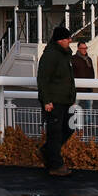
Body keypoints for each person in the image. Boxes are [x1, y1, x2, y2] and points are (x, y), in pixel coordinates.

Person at [37, 25, 77, 177]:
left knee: (68, 129)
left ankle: (47, 152)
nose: (70, 40)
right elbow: (43, 79)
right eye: (68, 38)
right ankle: (56, 165)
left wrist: (71, 98)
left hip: (65, 100)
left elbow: (68, 79)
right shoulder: (51, 55)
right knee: (55, 133)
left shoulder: (64, 54)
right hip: (54, 101)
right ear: (60, 40)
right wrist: (47, 101)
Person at [71, 39, 95, 111]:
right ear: (78, 49)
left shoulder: (89, 59)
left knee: (89, 107)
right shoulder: (73, 59)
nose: (85, 50)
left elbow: (92, 72)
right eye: (82, 48)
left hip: (88, 88)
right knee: (74, 107)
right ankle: (73, 122)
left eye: (86, 48)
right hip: (77, 89)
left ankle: (89, 122)